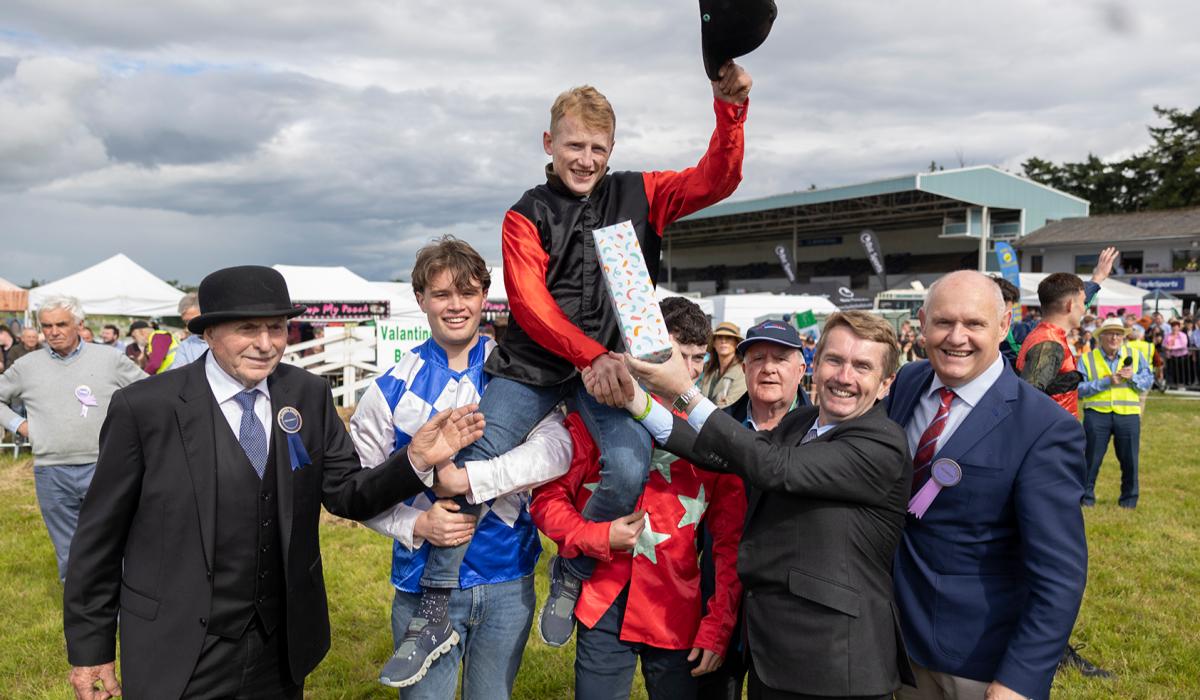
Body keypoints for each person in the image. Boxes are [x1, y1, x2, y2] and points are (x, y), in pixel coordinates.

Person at [392, 60, 755, 676]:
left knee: (631, 465)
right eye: (574, 146)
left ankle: (575, 564)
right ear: (548, 143)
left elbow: (716, 179)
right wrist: (590, 357)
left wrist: (731, 110)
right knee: (471, 461)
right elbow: (531, 306)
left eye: (597, 149)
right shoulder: (525, 213)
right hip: (536, 365)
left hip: (612, 368)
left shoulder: (641, 192)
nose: (585, 160)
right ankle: (433, 605)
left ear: (612, 149)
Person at [63, 266, 484, 699]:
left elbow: (346, 494)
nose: (266, 344)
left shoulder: (307, 394)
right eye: (248, 329)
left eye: (277, 328)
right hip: (177, 645)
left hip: (279, 647)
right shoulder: (145, 408)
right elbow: (100, 536)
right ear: (209, 334)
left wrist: (414, 461)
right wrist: (91, 647)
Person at [627, 311, 914, 700]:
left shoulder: (882, 442)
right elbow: (715, 453)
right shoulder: (801, 422)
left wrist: (686, 393)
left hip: (837, 665)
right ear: (816, 365)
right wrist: (637, 402)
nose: (844, 377)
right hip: (774, 656)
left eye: (862, 366)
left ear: (885, 384)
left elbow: (776, 467)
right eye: (834, 360)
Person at [350, 237, 572, 696]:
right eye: (441, 294)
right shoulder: (389, 388)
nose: (456, 306)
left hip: (507, 578)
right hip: (420, 586)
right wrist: (415, 524)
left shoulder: (518, 373)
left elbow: (557, 450)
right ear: (421, 299)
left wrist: (470, 479)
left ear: (484, 296)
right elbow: (359, 490)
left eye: (467, 293)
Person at [531, 297, 745, 699]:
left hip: (674, 610)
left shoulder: (714, 437)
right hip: (603, 600)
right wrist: (595, 537)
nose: (689, 370)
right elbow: (546, 501)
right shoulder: (597, 421)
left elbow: (729, 543)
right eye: (678, 355)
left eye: (698, 358)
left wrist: (718, 625)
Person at [887, 271, 1087, 700]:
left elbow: (1059, 574)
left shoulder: (1044, 427)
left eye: (974, 323)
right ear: (922, 323)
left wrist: (1021, 678)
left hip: (977, 659)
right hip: (895, 642)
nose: (956, 337)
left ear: (1003, 325)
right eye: (943, 322)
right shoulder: (908, 383)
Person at [695, 319, 812, 700]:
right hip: (717, 591)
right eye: (758, 358)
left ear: (801, 368)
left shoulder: (823, 432)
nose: (768, 368)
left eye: (780, 358)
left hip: (789, 605)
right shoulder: (716, 427)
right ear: (744, 367)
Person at [0, 295, 144, 582]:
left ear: (79, 324)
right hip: (51, 471)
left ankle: (121, 606)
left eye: (61, 324)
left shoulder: (110, 359)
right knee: (69, 551)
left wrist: (129, 432)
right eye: (47, 326)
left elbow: (148, 392)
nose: (53, 332)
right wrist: (22, 426)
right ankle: (80, 607)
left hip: (104, 466)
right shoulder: (27, 366)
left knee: (114, 544)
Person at [1016, 248, 1117, 414]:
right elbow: (1028, 401)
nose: (1085, 309)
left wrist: (1098, 278)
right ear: (1070, 305)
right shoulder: (1048, 344)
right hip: (1052, 429)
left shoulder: (1045, 333)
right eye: (1083, 303)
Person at [1078, 318, 1153, 509]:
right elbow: (1078, 389)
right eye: (1110, 333)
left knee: (1130, 460)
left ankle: (1129, 500)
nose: (1114, 337)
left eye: (1118, 334)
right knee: (1091, 460)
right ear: (1101, 336)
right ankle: (1085, 499)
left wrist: (1133, 377)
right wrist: (1106, 382)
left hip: (1128, 414)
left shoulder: (1135, 356)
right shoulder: (1087, 358)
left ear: (1123, 337)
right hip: (1096, 414)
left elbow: (1148, 381)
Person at [699, 322, 747, 407]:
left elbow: (730, 405)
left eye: (728, 338)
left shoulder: (743, 371)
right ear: (714, 343)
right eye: (719, 337)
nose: (723, 341)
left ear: (736, 343)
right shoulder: (707, 368)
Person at [172, 291, 209, 367]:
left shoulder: (224, 339)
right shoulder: (186, 345)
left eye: (193, 320)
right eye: (186, 322)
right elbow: (177, 371)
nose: (189, 326)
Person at [1163, 319, 1188, 387]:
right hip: (1172, 356)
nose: (1174, 328)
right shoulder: (1168, 335)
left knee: (1181, 371)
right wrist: (1166, 346)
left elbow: (1183, 345)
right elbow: (1164, 343)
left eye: (1176, 327)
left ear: (1179, 328)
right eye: (1173, 327)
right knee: (1173, 371)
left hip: (1182, 356)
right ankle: (1174, 384)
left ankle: (1182, 384)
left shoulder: (1182, 335)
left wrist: (1172, 348)